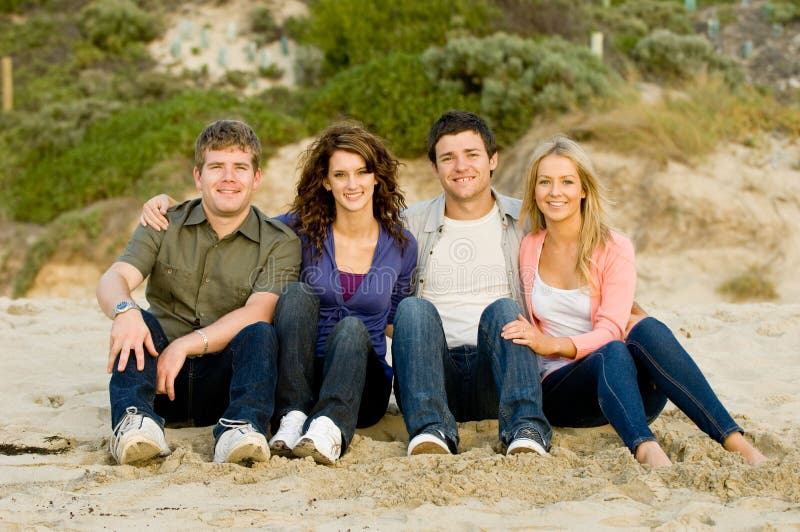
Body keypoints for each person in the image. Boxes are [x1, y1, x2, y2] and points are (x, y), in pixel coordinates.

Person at [140, 122, 417, 465]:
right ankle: (293, 416)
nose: (352, 184)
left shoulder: (401, 245)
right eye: (340, 174)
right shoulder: (299, 229)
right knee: (297, 293)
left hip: (363, 385)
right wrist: (172, 206)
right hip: (303, 374)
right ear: (326, 181)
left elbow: (393, 319)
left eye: (362, 172)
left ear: (377, 177)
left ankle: (330, 427)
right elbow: (235, 218)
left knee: (351, 329)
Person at [503, 134, 768, 467]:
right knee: (612, 350)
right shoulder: (528, 246)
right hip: (564, 391)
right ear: (534, 190)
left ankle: (733, 440)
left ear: (583, 189)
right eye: (545, 182)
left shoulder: (614, 247)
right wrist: (546, 348)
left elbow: (611, 329)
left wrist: (553, 343)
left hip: (628, 392)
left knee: (646, 329)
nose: (555, 192)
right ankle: (646, 449)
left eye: (567, 181)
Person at [98, 119, 301, 466]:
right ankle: (136, 422)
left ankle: (241, 427)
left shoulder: (279, 242)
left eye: (240, 167)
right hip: (159, 378)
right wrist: (124, 311)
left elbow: (259, 311)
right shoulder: (164, 221)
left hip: (224, 385)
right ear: (198, 176)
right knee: (137, 320)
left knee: (260, 333)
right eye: (216, 167)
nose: (228, 177)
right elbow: (114, 277)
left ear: (256, 178)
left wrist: (186, 345)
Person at [391, 110, 552, 457]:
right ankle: (431, 429)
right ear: (435, 167)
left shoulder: (527, 219)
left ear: (493, 159)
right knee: (413, 308)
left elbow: (579, 264)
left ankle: (525, 427)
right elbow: (382, 303)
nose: (460, 166)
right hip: (431, 378)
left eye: (472, 154)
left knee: (505, 309)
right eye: (448, 158)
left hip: (498, 376)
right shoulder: (408, 224)